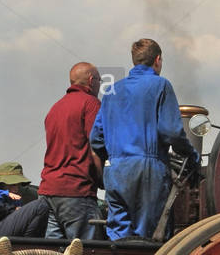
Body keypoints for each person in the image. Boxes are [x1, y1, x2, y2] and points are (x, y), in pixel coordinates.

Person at [90, 39, 199, 240]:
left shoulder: (112, 90)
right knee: (150, 237)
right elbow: (172, 132)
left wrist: (116, 157)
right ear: (157, 60)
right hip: (148, 171)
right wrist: (192, 157)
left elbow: (96, 138)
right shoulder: (161, 85)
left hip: (115, 171)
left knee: (118, 237)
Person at [41, 62, 104, 240]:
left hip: (48, 193)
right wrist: (103, 181)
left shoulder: (55, 108)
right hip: (76, 192)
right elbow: (96, 147)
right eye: (99, 81)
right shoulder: (91, 104)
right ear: (92, 81)